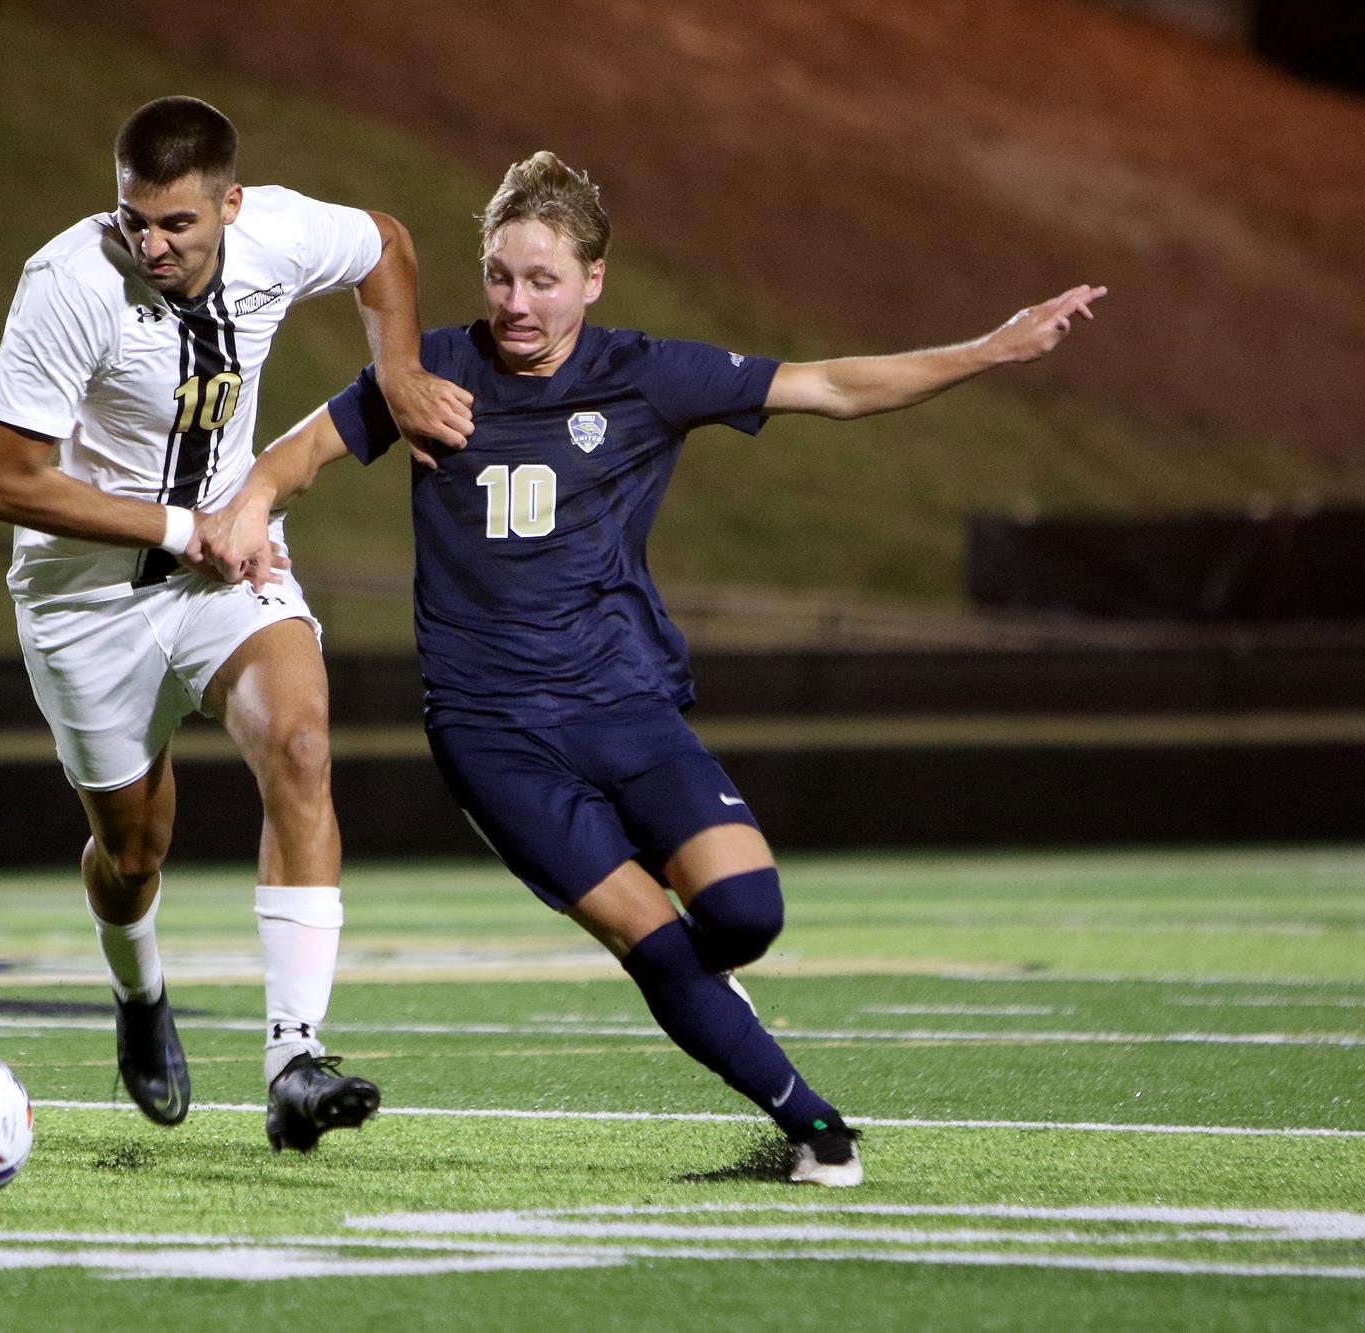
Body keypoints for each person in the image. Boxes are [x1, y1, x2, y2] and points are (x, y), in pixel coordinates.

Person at [197, 151, 1104, 1185]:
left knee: (744, 917)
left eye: (543, 280)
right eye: (499, 275)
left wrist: (991, 348)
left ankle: (710, 1001)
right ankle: (816, 1133)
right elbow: (295, 453)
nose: (516, 303)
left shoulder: (645, 374)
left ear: (593, 279)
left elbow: (831, 386)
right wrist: (254, 506)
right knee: (648, 938)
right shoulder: (428, 369)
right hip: (492, 735)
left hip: (623, 705)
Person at [0, 96, 475, 1152]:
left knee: (300, 741)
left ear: (230, 205)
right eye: (132, 219)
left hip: (223, 567)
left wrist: (396, 368)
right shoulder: (68, 282)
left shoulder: (276, 232)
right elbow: (0, 479)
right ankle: (139, 992)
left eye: (176, 223)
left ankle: (294, 1058)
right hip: (84, 596)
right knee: (132, 851)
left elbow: (385, 243)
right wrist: (176, 524)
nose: (150, 243)